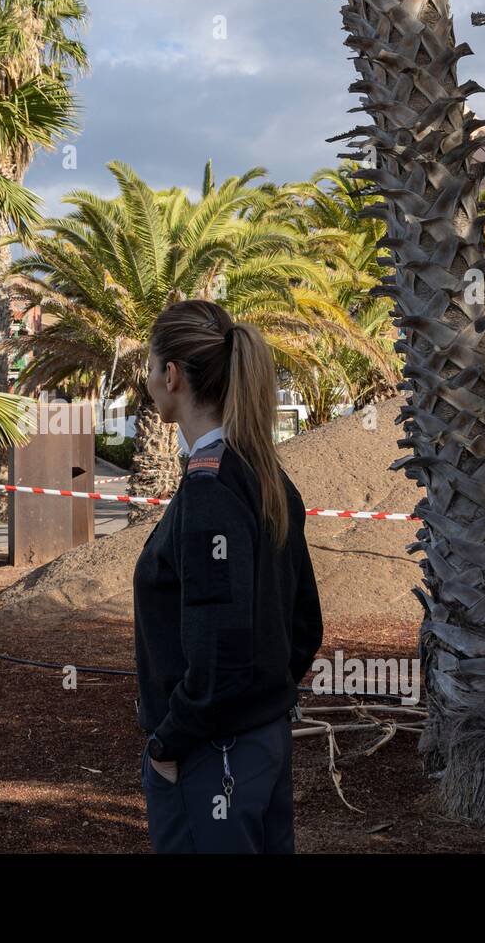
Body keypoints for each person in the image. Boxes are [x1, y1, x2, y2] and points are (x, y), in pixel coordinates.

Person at [134, 299, 324, 853]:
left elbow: (220, 647)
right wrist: (263, 702)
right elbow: (303, 624)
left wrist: (168, 743)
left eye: (149, 367)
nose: (147, 380)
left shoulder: (211, 490)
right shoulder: (264, 475)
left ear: (171, 377)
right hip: (260, 743)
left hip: (208, 757)